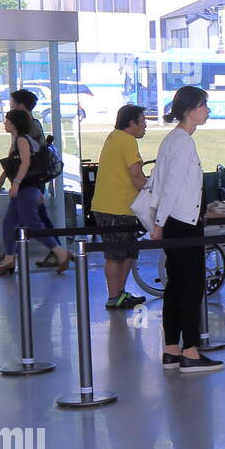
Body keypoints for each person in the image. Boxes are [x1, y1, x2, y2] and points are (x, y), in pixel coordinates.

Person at [150, 85, 222, 373]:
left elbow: (159, 182)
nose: (208, 110)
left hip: (176, 221)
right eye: (204, 105)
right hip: (183, 223)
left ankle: (171, 348)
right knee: (191, 285)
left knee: (176, 285)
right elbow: (170, 187)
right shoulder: (182, 142)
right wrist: (158, 223)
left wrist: (159, 220)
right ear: (191, 110)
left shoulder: (172, 140)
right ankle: (190, 350)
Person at [0, 108, 71, 276]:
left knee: (31, 221)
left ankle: (60, 252)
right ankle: (9, 258)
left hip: (27, 187)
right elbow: (16, 164)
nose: (5, 123)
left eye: (7, 120)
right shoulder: (20, 140)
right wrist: (4, 177)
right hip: (26, 188)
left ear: (14, 123)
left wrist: (16, 183)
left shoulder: (22, 140)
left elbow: (25, 163)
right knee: (9, 223)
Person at [92, 105, 149, 308]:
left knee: (128, 252)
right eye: (142, 121)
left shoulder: (114, 137)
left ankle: (120, 294)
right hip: (115, 208)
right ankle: (114, 297)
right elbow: (136, 176)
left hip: (113, 205)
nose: (145, 125)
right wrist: (155, 191)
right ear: (131, 123)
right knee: (116, 254)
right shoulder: (127, 141)